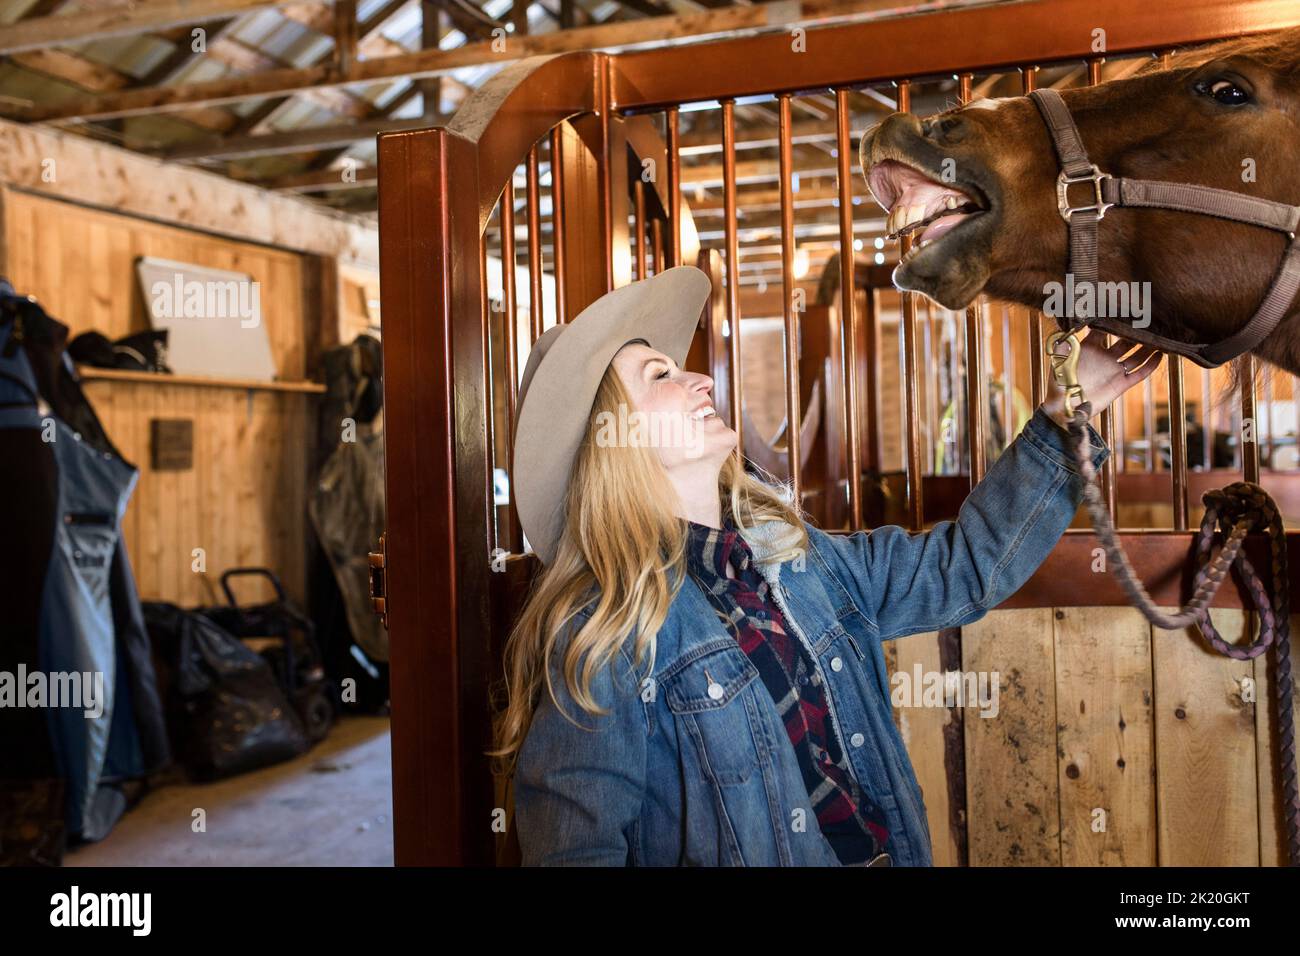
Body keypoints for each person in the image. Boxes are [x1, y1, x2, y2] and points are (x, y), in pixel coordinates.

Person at [489, 265, 1161, 866]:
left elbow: (962, 568)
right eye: (660, 376)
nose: (699, 378)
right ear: (617, 437)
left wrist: (1065, 412)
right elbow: (575, 851)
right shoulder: (602, 628)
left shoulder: (805, 556)